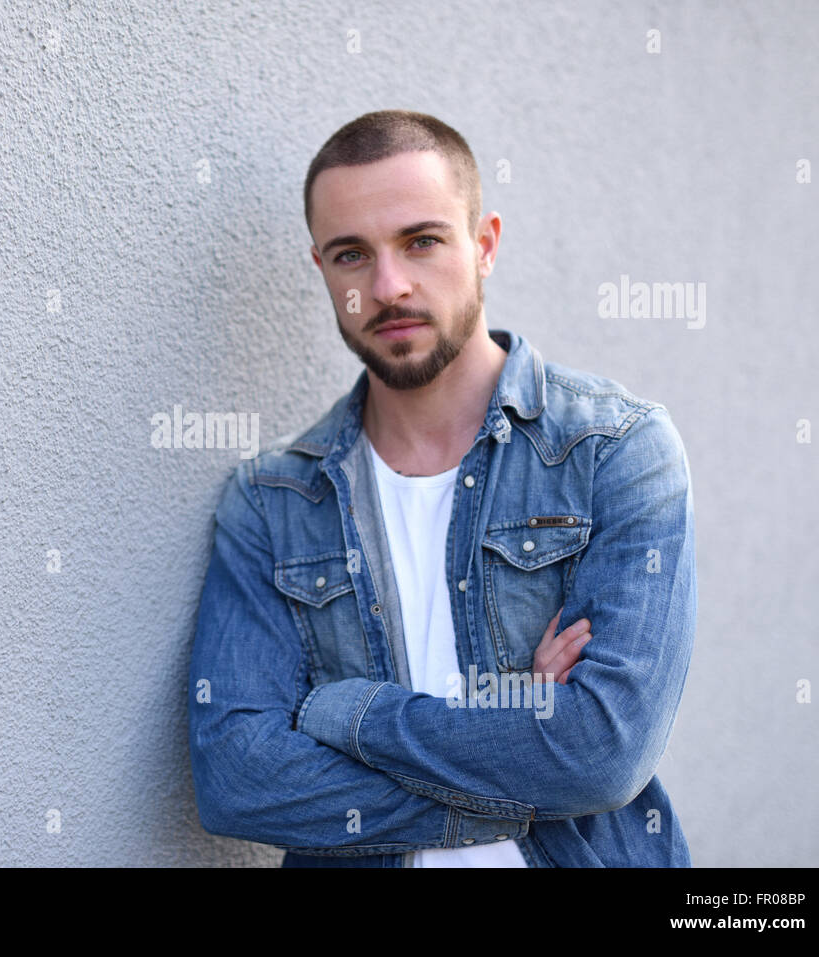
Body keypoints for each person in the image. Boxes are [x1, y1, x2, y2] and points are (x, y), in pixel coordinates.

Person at [188, 110, 697, 867]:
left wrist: (339, 712)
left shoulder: (615, 453)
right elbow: (237, 779)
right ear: (322, 269)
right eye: (351, 254)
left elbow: (601, 752)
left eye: (421, 241)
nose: (388, 286)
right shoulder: (270, 502)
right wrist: (514, 735)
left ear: (484, 243)